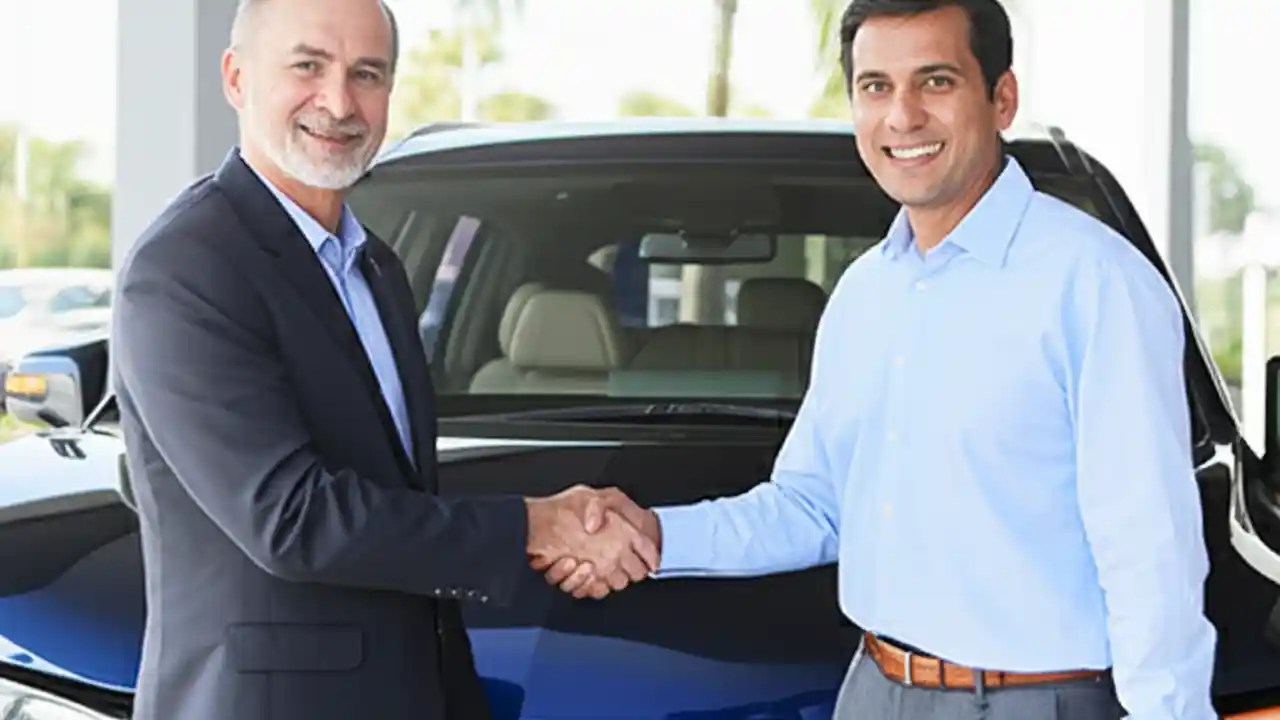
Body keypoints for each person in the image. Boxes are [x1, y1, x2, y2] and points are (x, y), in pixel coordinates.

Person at [538, 1, 1219, 718]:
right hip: (873, 688)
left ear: (1002, 97)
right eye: (875, 86)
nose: (902, 116)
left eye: (935, 81)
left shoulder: (1096, 283)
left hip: (1033, 700)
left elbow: (1150, 551)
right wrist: (653, 534)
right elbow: (812, 505)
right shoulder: (867, 292)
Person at [111, 1, 655, 718]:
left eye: (367, 74)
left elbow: (394, 491)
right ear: (237, 77)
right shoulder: (187, 267)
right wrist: (533, 525)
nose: (338, 102)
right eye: (308, 66)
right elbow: (290, 517)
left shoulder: (376, 268)